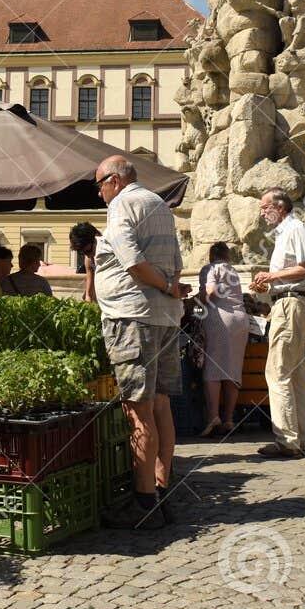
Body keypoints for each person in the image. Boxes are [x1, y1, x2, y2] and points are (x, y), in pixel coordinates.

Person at [94, 155, 187, 528]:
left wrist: (162, 285)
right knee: (161, 407)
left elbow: (132, 262)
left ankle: (143, 502)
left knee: (139, 412)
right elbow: (177, 261)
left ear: (114, 181)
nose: (99, 192)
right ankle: (163, 492)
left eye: (99, 184)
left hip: (133, 317)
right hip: (165, 317)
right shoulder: (159, 205)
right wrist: (169, 288)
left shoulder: (122, 206)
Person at [251, 189, 305, 457]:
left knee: (277, 372)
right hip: (288, 302)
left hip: (291, 304)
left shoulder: (296, 228)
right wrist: (266, 285)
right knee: (296, 376)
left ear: (279, 207)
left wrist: (272, 275)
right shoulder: (283, 235)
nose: (262, 212)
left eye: (265, 207)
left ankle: (287, 441)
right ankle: (304, 440)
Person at [197, 242, 247, 438]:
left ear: (211, 256)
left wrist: (196, 303)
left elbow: (210, 291)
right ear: (227, 256)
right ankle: (228, 419)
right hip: (240, 320)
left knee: (213, 368)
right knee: (233, 369)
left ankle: (212, 417)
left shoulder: (210, 268)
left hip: (220, 319)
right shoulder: (233, 271)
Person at [69, 222, 100, 304]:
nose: (88, 255)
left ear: (96, 238)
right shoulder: (89, 259)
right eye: (82, 253)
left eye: (88, 251)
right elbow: (89, 294)